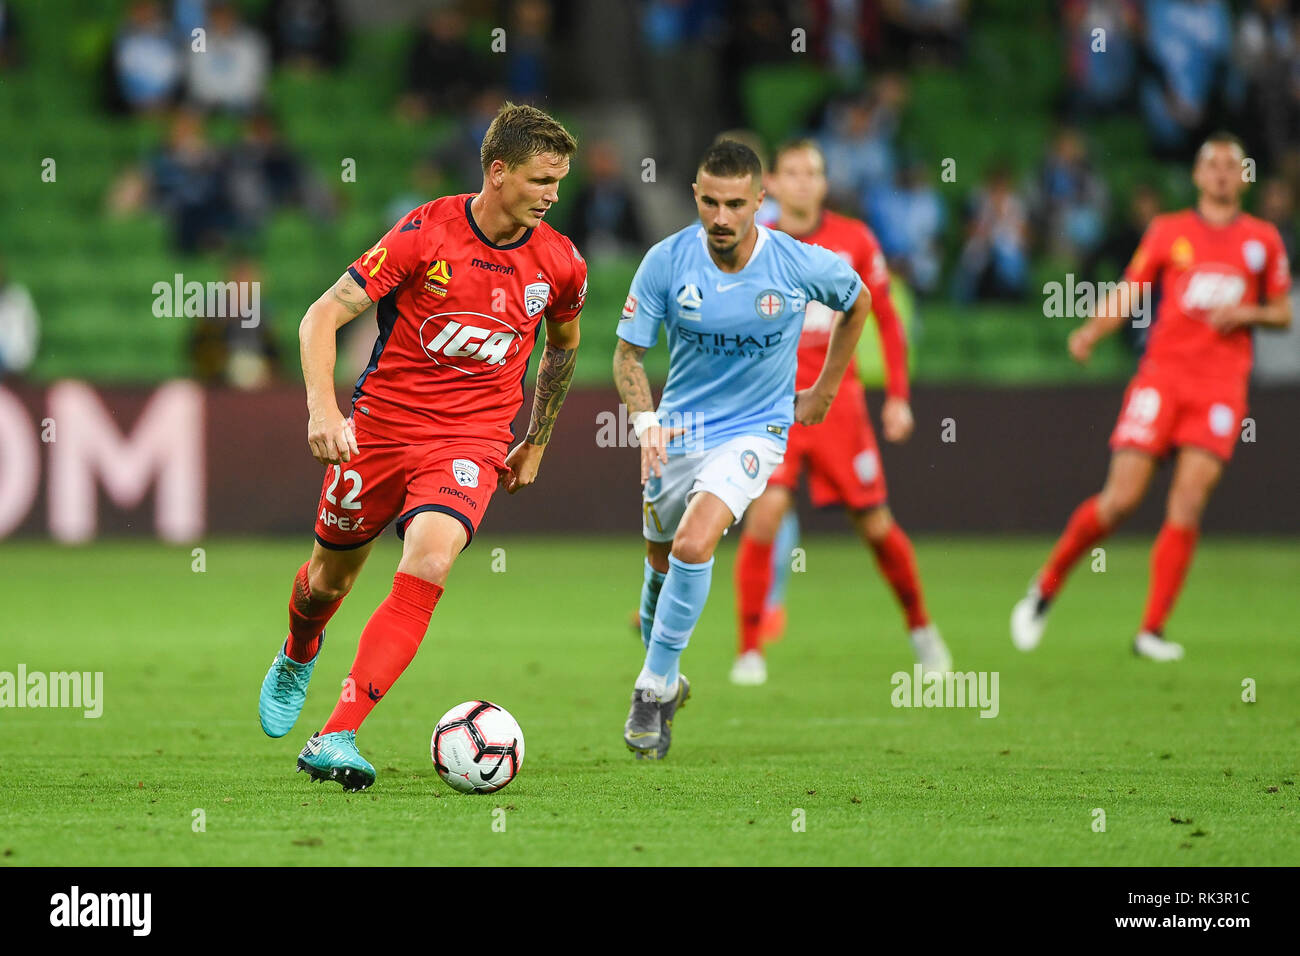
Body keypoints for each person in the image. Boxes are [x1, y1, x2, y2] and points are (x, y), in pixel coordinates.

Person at [257, 104, 587, 790]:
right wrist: (324, 410)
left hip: (470, 440)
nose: (553, 194)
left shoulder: (559, 262)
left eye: (559, 180)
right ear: (498, 172)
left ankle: (337, 734)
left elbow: (562, 349)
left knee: (430, 559)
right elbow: (323, 315)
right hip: (379, 432)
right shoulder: (424, 232)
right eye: (541, 179)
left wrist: (537, 439)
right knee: (327, 582)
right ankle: (298, 649)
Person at [614, 139, 872, 759]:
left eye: (735, 203)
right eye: (710, 202)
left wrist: (823, 390)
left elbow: (859, 300)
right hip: (678, 432)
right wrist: (646, 422)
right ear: (696, 198)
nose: (721, 217)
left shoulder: (797, 262)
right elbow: (628, 355)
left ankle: (651, 689)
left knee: (692, 544)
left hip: (755, 431)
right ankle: (667, 677)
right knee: (657, 566)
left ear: (762, 200)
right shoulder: (666, 261)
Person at [1011, 132, 1292, 660]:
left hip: (1219, 388)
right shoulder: (1169, 232)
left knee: (1187, 502)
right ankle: (1045, 588)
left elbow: (1282, 312)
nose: (1223, 173)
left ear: (1245, 177)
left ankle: (1151, 630)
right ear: (1197, 175)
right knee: (1120, 500)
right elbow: (1129, 288)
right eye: (1213, 164)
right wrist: (1091, 332)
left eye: (1233, 165)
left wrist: (1248, 314)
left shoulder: (1263, 241)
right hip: (1161, 379)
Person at [730, 139, 949, 686]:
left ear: (825, 183)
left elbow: (888, 321)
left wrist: (899, 396)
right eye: (794, 172)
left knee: (875, 525)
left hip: (838, 407)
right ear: (772, 184)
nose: (805, 181)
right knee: (765, 514)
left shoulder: (854, 240)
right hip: (773, 404)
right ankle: (750, 648)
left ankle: (922, 629)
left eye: (814, 172)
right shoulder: (756, 244)